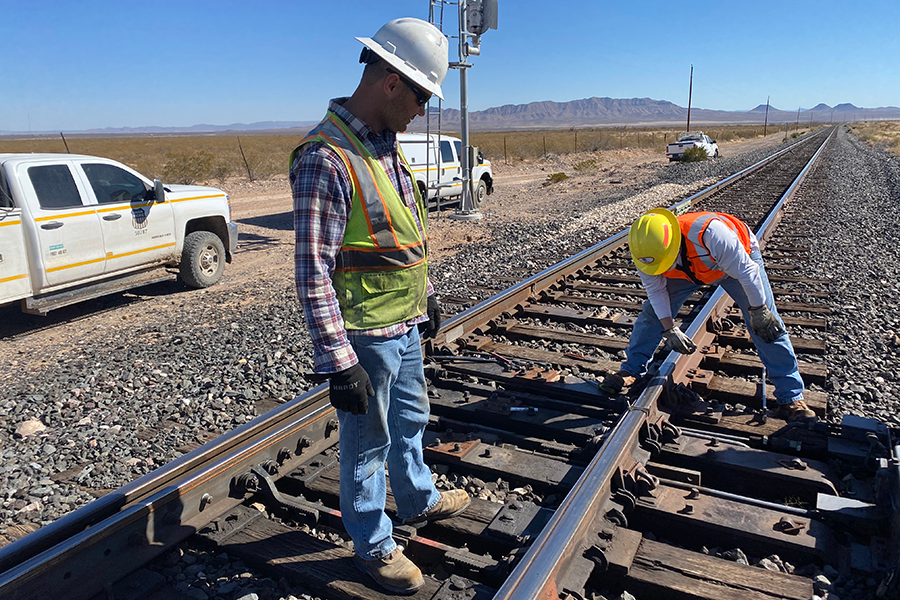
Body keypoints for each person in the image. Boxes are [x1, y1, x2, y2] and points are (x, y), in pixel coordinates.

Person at [290, 17, 470, 595]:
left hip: (406, 324)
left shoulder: (385, 148)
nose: (423, 108)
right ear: (390, 82)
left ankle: (418, 496)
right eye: (421, 95)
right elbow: (312, 271)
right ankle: (372, 544)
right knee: (368, 445)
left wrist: (428, 297)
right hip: (365, 336)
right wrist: (338, 360)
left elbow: (399, 234)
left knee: (412, 422)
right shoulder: (327, 157)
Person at [599, 208, 817, 423]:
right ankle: (632, 371)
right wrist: (669, 328)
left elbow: (748, 273)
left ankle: (791, 397)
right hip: (687, 270)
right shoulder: (646, 253)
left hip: (734, 263)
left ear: (673, 245)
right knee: (651, 316)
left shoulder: (711, 234)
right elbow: (656, 292)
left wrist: (758, 310)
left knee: (767, 325)